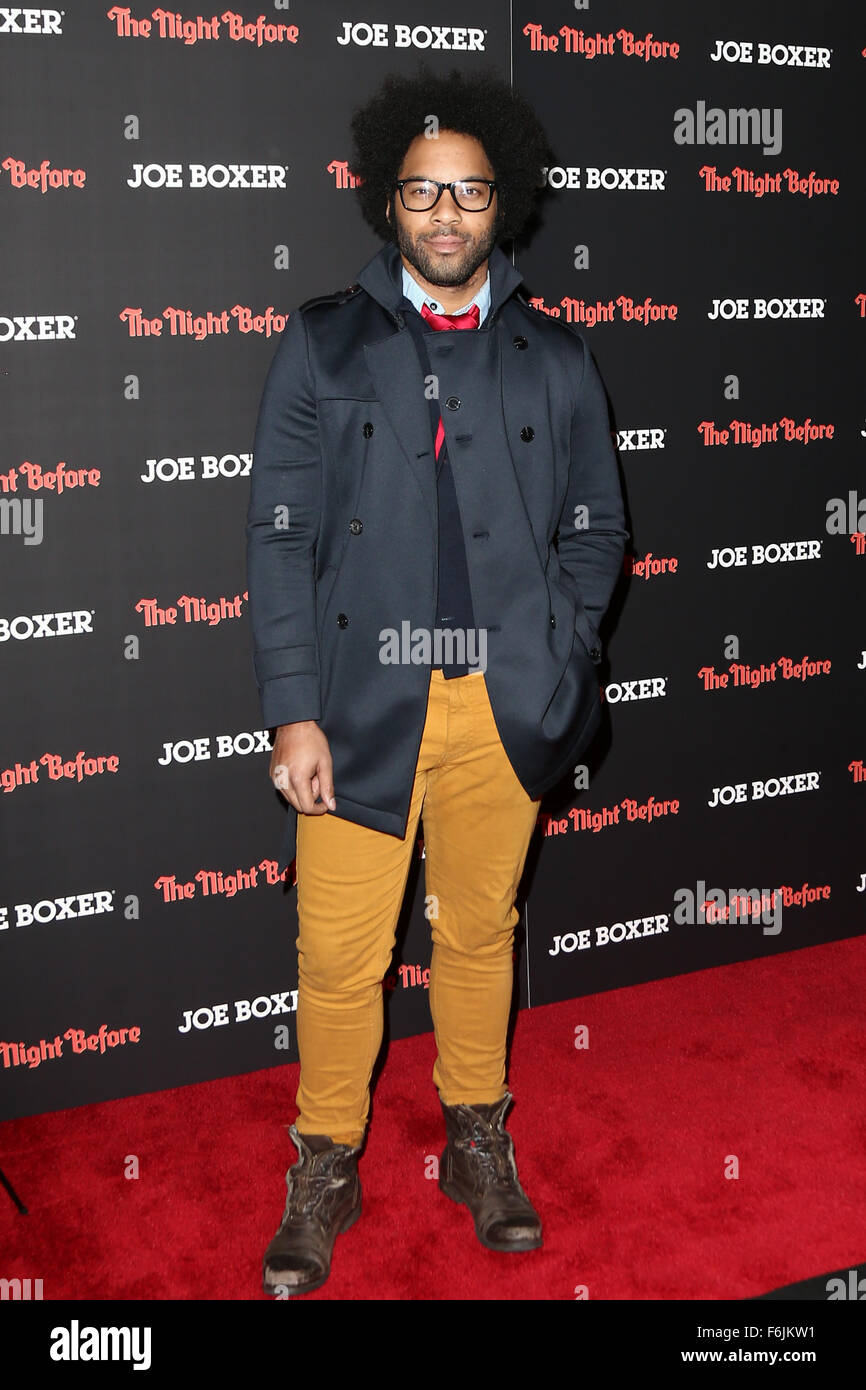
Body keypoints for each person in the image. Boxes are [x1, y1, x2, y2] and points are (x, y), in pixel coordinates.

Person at [246, 64, 628, 1297]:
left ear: (499, 202)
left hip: (500, 707)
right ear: (386, 202)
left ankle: (474, 1139)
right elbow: (280, 537)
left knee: (478, 934)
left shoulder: (556, 354)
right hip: (362, 705)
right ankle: (325, 1159)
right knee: (338, 956)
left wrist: (559, 654)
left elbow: (595, 528)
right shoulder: (320, 340)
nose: (448, 214)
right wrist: (292, 705)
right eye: (424, 192)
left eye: (469, 191)